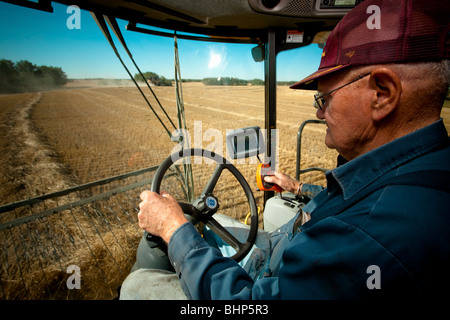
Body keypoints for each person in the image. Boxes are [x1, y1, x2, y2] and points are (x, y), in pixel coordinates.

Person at [120, 0, 450, 299]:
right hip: (283, 253)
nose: (319, 113)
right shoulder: (422, 170)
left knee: (137, 287)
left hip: (262, 281)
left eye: (325, 98)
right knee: (216, 217)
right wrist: (297, 187)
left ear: (382, 93)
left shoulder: (370, 239)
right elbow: (356, 200)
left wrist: (173, 229)